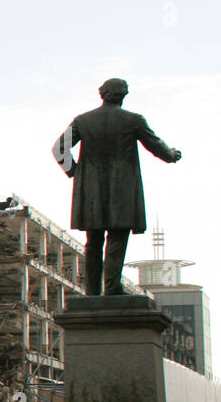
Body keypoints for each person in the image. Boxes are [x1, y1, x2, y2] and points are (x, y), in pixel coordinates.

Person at [53, 78, 182, 295]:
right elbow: (156, 145)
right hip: (121, 188)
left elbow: (59, 149)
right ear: (124, 96)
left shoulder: (83, 120)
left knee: (93, 240)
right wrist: (172, 155)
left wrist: (76, 173)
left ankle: (92, 291)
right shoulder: (133, 120)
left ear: (102, 94)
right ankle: (112, 287)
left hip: (91, 190)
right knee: (118, 236)